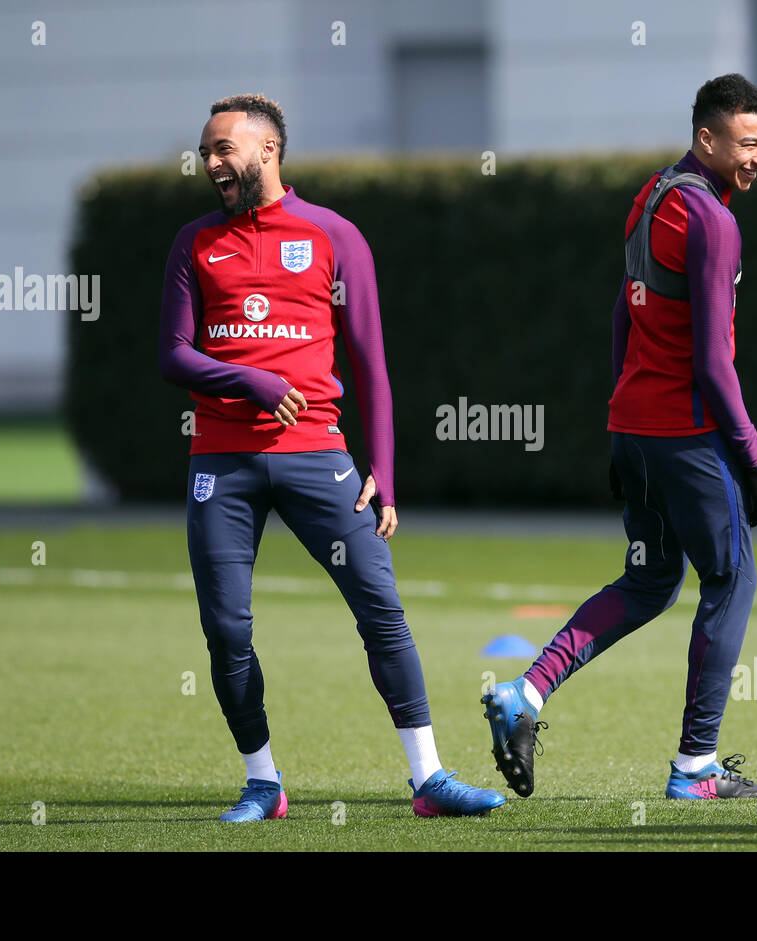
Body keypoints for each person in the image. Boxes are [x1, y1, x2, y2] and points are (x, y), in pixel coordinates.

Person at [160, 94, 505, 820]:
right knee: (226, 628)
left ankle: (430, 778)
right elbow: (174, 354)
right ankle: (263, 781)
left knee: (382, 613)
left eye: (225, 148)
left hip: (320, 455)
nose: (211, 161)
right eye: (206, 149)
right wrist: (249, 379)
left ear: (269, 151)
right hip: (221, 463)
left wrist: (382, 469)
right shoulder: (193, 243)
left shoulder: (334, 235)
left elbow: (372, 364)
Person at [482, 74, 757, 801]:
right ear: (707, 138)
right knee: (730, 579)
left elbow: (622, 316)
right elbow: (713, 362)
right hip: (687, 434)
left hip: (636, 432)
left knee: (650, 580)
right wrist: (755, 457)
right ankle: (695, 768)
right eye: (748, 144)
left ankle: (526, 693)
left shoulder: (650, 197)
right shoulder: (713, 219)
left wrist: (618, 418)